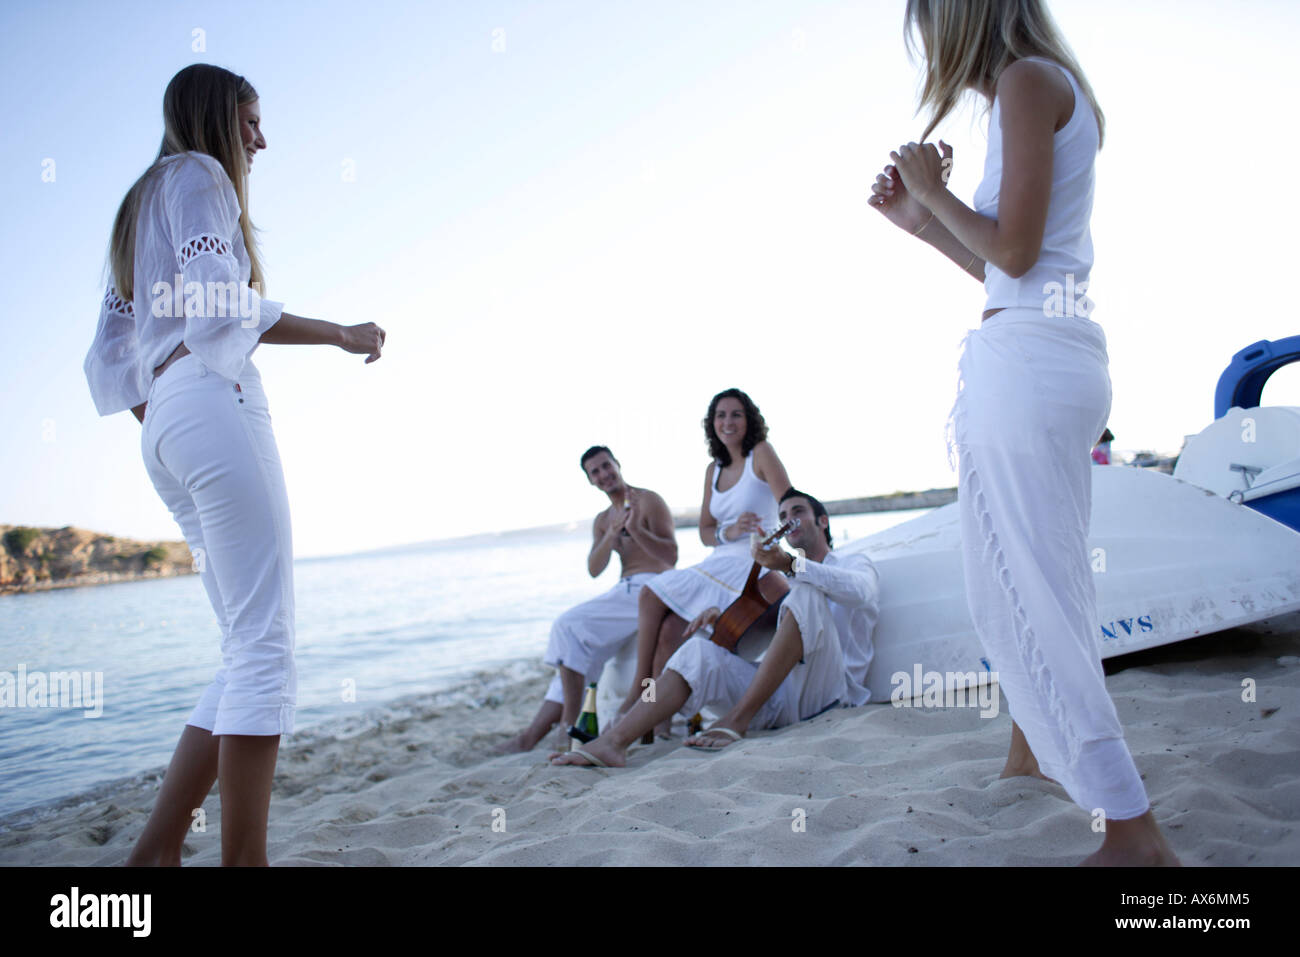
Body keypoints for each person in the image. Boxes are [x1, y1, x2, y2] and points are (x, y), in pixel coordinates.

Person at [869, 0, 1177, 864]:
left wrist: (934, 190)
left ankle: (1133, 830)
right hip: (1043, 347)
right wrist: (922, 221)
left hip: (1033, 364)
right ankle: (1033, 747)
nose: (930, 54)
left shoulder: (1025, 82)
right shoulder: (1035, 86)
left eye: (931, 32)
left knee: (1027, 591)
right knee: (1029, 579)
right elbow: (1005, 265)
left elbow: (1012, 253)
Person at [84, 64, 385, 866]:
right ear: (218, 117)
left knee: (241, 644)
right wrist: (338, 333)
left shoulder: (138, 204)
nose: (261, 139)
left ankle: (154, 851)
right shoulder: (199, 175)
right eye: (251, 120)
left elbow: (110, 355)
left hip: (167, 426)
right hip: (212, 402)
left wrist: (172, 409)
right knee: (265, 643)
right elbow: (221, 301)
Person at [551, 488, 878, 767]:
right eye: (782, 513)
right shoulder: (790, 581)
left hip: (832, 695)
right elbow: (771, 641)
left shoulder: (852, 564)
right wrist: (721, 618)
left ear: (822, 521)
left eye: (798, 511)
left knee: (807, 592)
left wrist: (792, 565)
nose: (788, 517)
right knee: (697, 651)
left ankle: (736, 720)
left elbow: (859, 592)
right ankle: (615, 742)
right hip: (782, 699)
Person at [612, 389, 793, 737]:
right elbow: (706, 532)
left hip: (751, 558)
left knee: (655, 603)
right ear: (713, 424)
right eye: (721, 415)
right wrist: (730, 529)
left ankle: (639, 690)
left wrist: (785, 546)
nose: (728, 422)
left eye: (736, 414)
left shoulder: (761, 453)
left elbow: (789, 500)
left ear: (749, 419)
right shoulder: (713, 470)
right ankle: (656, 716)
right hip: (719, 557)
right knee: (665, 629)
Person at [496, 447, 677, 753]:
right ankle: (530, 738)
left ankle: (569, 728)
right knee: (573, 653)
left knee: (566, 625)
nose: (604, 474)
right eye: (595, 472)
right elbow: (594, 569)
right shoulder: (603, 519)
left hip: (653, 585)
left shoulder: (648, 500)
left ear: (618, 464)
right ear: (591, 481)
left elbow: (670, 557)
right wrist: (611, 534)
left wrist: (634, 529)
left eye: (607, 466)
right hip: (624, 590)